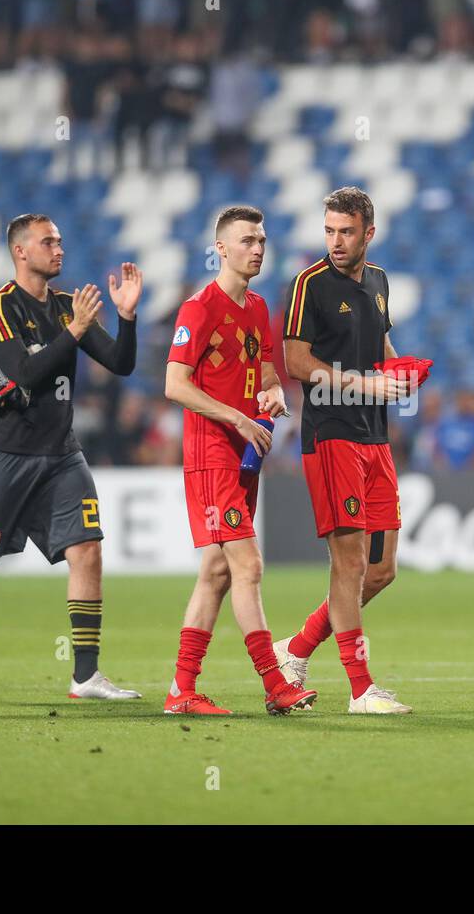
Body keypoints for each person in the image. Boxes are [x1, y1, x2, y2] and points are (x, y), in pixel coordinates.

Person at [0, 214, 141, 700]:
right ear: (21, 251)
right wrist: (74, 332)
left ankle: (85, 675)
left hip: (61, 453)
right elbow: (24, 373)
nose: (59, 249)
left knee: (88, 551)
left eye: (59, 240)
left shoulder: (65, 306)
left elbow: (120, 364)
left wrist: (127, 317)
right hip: (6, 453)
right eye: (48, 241)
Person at [161, 206, 317, 716]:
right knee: (248, 566)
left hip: (243, 455)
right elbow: (174, 384)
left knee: (217, 573)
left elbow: (265, 371)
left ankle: (182, 691)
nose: (258, 248)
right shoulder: (198, 308)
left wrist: (274, 397)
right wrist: (237, 418)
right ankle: (275, 685)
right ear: (221, 249)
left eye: (262, 240)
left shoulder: (255, 308)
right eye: (247, 240)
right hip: (211, 456)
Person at [275, 186, 413, 714]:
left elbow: (379, 343)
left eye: (346, 231)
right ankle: (360, 689)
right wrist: (363, 385)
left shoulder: (378, 281)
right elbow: (296, 363)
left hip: (374, 437)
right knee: (350, 564)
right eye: (329, 230)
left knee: (381, 570)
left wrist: (398, 372)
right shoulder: (308, 285)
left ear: (368, 233)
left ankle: (297, 648)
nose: (335, 240)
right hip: (331, 434)